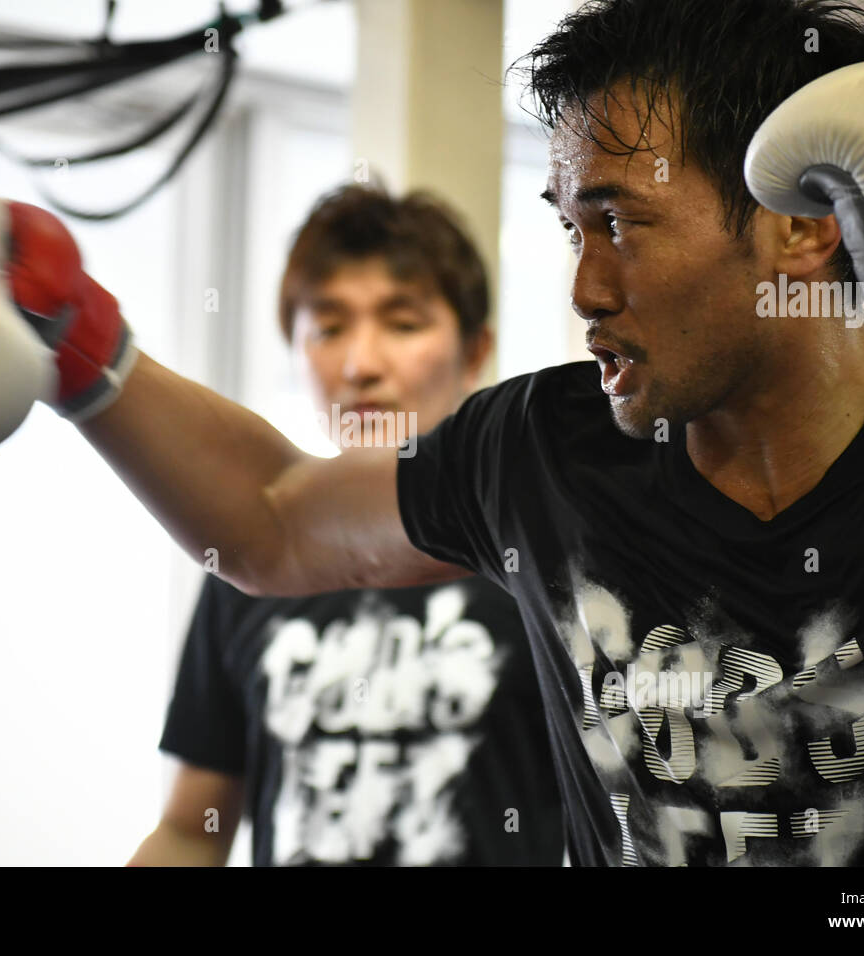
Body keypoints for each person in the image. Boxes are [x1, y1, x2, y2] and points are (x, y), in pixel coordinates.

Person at [0, 0, 864, 866]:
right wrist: (86, 352)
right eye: (570, 225)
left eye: (619, 221)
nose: (585, 286)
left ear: (798, 231)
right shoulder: (543, 455)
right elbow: (269, 518)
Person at [128, 185, 565, 866]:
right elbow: (192, 829)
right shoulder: (245, 563)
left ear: (474, 350)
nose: (361, 366)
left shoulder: (535, 557)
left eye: (402, 322)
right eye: (329, 329)